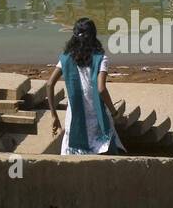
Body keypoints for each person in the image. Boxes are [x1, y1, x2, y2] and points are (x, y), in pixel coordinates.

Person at [46, 18, 124, 154]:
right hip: (96, 116)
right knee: (106, 149)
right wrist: (114, 113)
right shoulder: (101, 58)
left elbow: (49, 84)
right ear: (93, 35)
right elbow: (101, 89)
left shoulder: (65, 58)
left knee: (75, 152)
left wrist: (54, 115)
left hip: (75, 117)